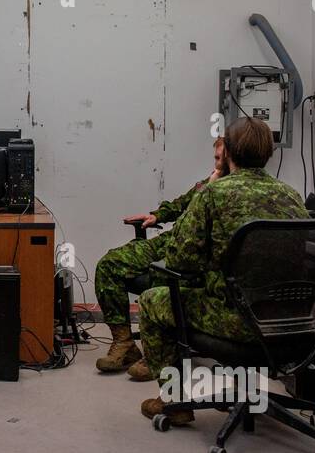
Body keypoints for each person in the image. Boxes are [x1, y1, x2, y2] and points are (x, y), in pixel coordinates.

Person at [135, 118, 307, 425]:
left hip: (233, 322)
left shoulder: (213, 194)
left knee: (151, 300)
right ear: (269, 153)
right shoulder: (292, 196)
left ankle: (174, 402)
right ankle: (242, 392)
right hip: (291, 322)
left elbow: (178, 260)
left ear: (228, 153)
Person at [93, 137, 225, 375]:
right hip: (170, 241)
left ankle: (161, 354)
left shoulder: (230, 191)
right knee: (109, 265)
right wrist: (157, 216)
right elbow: (182, 204)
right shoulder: (209, 181)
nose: (217, 164)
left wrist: (211, 186)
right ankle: (124, 344)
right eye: (215, 158)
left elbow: (198, 223)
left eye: (222, 159)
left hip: (195, 254)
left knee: (164, 279)